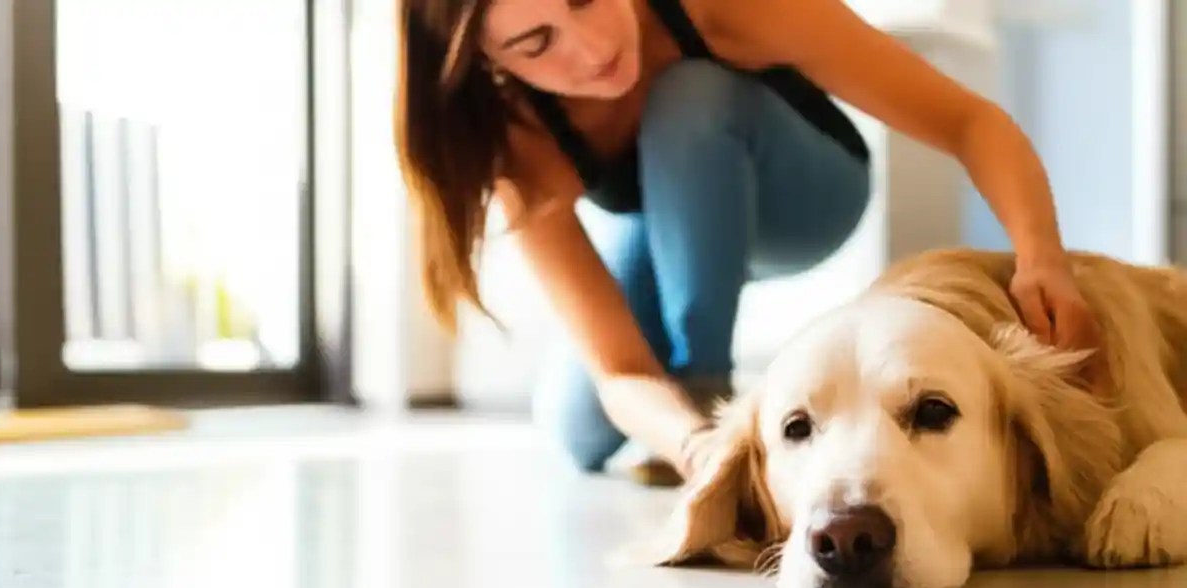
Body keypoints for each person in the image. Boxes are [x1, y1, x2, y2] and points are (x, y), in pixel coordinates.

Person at [394, 0, 1103, 485]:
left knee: (687, 98)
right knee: (580, 431)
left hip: (807, 194)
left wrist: (1043, 256)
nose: (591, 46)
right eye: (535, 42)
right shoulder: (517, 138)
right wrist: (694, 449)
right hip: (670, 231)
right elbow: (619, 372)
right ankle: (701, 416)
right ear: (488, 64)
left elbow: (968, 121)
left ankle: (706, 382)